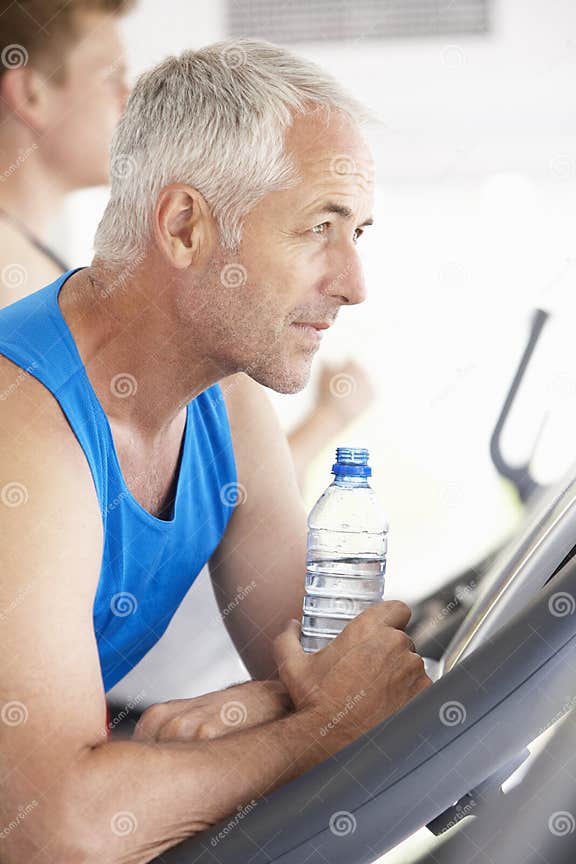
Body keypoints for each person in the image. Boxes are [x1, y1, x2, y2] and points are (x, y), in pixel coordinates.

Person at [0, 39, 431, 862]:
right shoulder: (23, 430)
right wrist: (315, 730)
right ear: (187, 226)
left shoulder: (222, 399)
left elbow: (342, 665)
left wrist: (263, 709)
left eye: (359, 233)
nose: (354, 281)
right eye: (319, 228)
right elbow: (56, 834)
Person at [0, 0, 133, 304]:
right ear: (30, 94)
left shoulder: (24, 266)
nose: (128, 102)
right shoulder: (12, 277)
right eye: (112, 78)